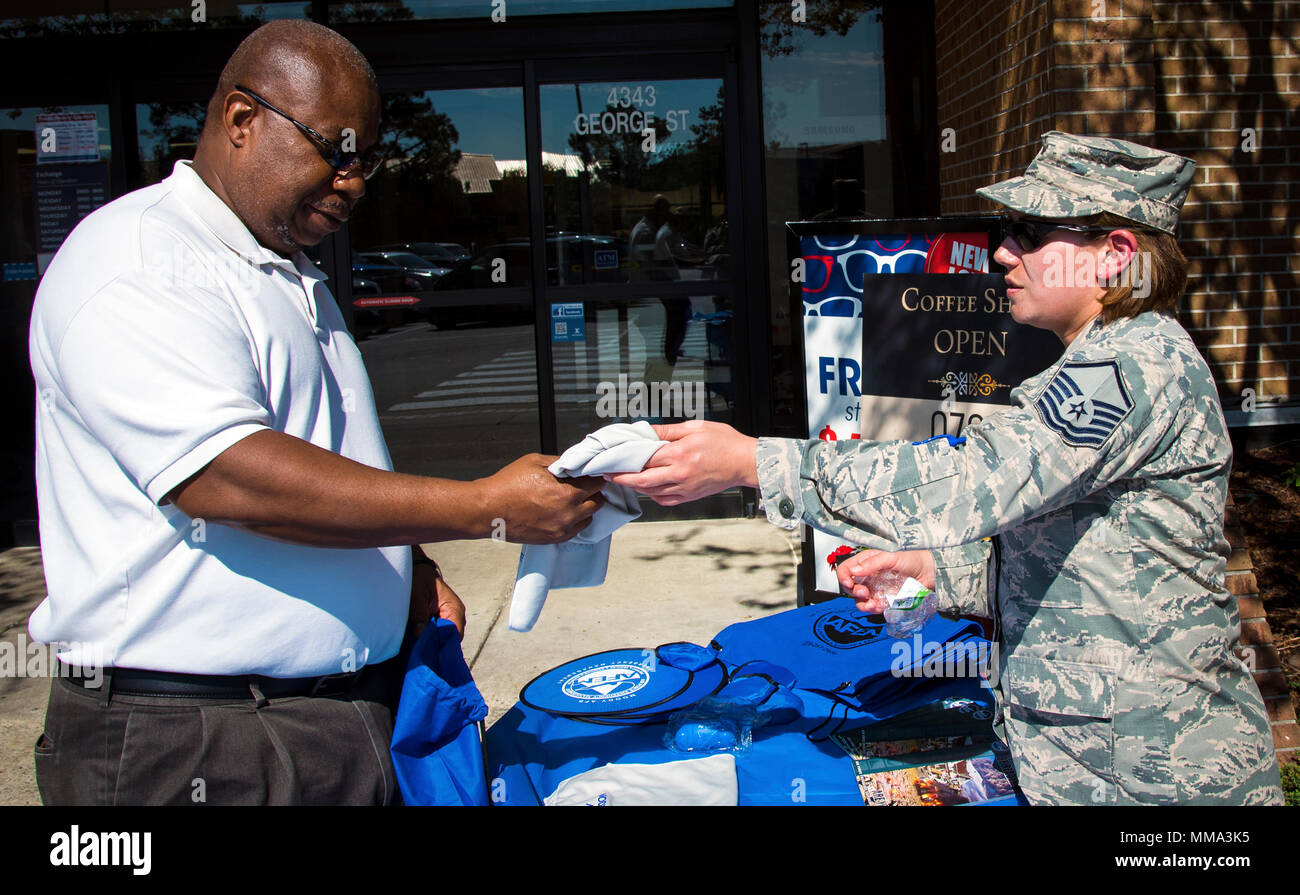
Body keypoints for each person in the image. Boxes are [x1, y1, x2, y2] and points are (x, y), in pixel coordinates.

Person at [609, 132, 1283, 805]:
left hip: (1163, 783)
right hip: (1085, 769)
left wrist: (755, 463)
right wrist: (936, 572)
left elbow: (973, 479)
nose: (1002, 251)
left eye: (1030, 231)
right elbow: (1085, 560)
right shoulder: (1104, 359)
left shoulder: (1134, 365)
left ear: (1116, 256)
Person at [27, 20, 604, 806]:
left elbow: (324, 454)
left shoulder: (288, 273)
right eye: (334, 149)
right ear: (241, 119)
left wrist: (408, 564)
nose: (355, 179)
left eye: (367, 158)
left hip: (328, 719)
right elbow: (227, 476)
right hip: (194, 740)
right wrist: (485, 507)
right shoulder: (135, 258)